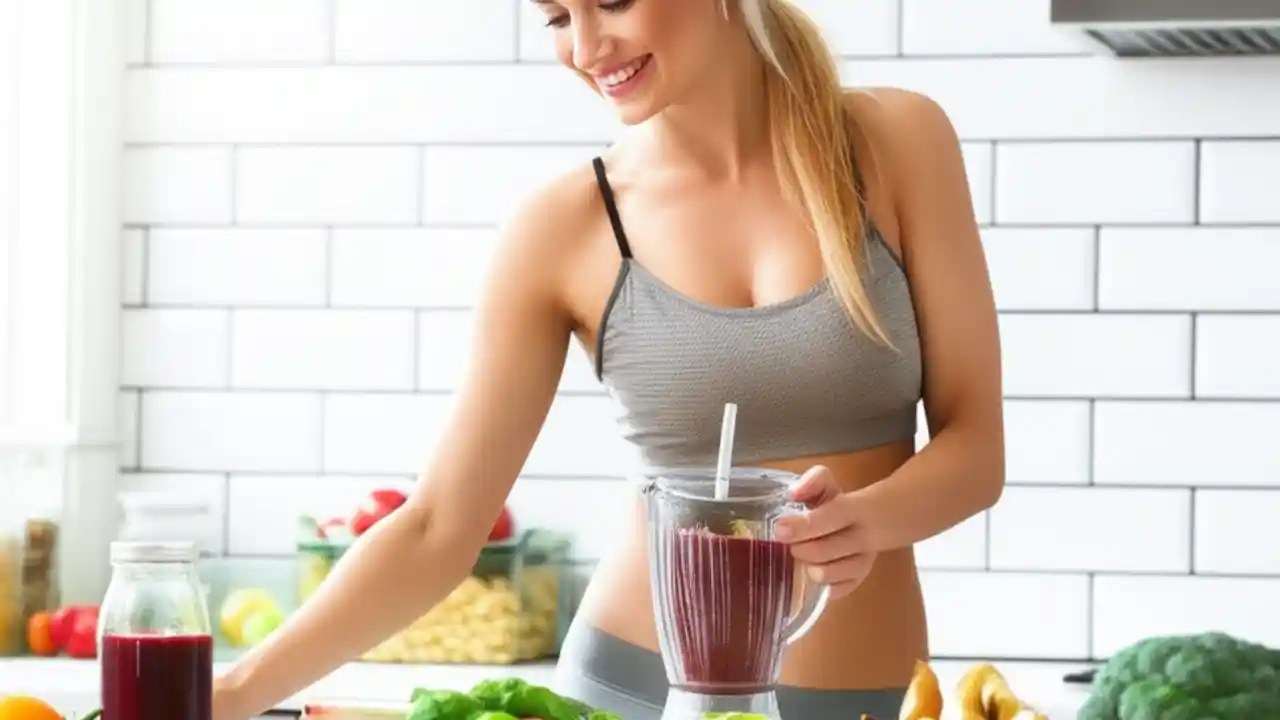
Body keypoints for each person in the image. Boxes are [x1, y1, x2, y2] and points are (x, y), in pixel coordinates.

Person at [212, 0, 1004, 717]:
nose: (587, 46)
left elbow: (976, 450)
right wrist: (235, 693)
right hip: (628, 691)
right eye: (557, 16)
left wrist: (866, 521)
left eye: (612, 2)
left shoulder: (898, 143)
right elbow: (437, 528)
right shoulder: (565, 228)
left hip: (866, 701)